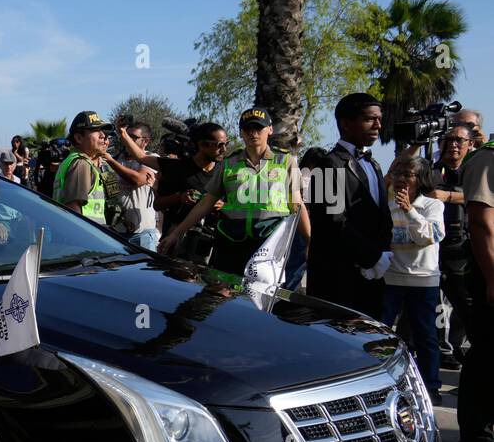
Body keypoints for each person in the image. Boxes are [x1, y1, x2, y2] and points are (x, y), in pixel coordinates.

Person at [159, 107, 309, 277]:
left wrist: (310, 240)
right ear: (241, 132)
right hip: (231, 243)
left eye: (258, 128)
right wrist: (176, 233)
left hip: (269, 245)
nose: (253, 133)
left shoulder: (285, 162)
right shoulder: (229, 163)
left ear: (270, 129)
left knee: (262, 297)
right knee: (221, 296)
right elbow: (206, 203)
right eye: (247, 129)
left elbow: (296, 205)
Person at [305, 93, 392, 318]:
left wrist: (381, 256)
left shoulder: (374, 164)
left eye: (379, 119)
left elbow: (382, 216)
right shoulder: (326, 166)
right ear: (346, 123)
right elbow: (333, 223)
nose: (378, 125)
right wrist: (370, 258)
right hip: (337, 279)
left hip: (372, 277)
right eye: (369, 119)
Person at [376, 156, 445, 402]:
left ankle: (431, 386)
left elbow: (430, 236)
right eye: (398, 174)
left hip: (423, 280)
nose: (401, 180)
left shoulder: (432, 206)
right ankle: (380, 382)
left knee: (425, 335)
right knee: (381, 332)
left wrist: (410, 210)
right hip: (392, 279)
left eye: (408, 175)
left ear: (421, 179)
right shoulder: (387, 205)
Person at [125, 121, 227, 254]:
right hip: (175, 241)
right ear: (202, 145)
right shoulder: (178, 168)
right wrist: (179, 197)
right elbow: (157, 204)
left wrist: (223, 205)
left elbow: (238, 205)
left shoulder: (225, 170)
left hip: (209, 245)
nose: (224, 149)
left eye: (226, 144)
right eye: (219, 145)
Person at [457, 133, 494, 442]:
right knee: (487, 354)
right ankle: (477, 434)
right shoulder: (487, 158)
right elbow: (482, 223)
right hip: (488, 273)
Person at [434, 124, 473, 366]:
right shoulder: (432, 170)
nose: (454, 145)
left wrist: (448, 196)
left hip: (464, 247)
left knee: (463, 304)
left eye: (460, 141)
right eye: (449, 140)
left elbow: (479, 194)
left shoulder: (473, 170)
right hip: (433, 246)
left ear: (470, 145)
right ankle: (442, 348)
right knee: (437, 305)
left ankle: (457, 345)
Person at [110, 122, 159, 249]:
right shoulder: (116, 159)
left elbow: (137, 180)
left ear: (145, 141)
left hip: (143, 234)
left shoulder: (152, 159)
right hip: (117, 232)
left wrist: (110, 161)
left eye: (133, 137)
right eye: (125, 135)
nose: (127, 140)